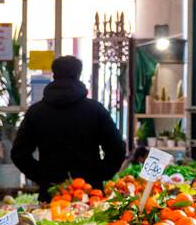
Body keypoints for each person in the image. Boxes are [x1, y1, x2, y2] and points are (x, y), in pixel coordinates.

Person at [11, 55, 125, 194]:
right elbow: (117, 149)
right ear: (78, 74)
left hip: (52, 194)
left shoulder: (36, 112)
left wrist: (43, 176)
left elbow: (19, 154)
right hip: (90, 194)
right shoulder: (95, 110)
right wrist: (98, 174)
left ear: (54, 74)